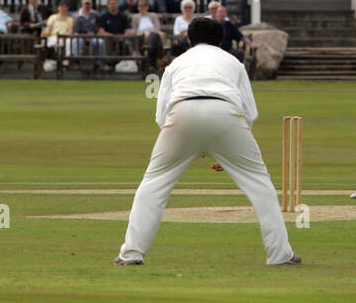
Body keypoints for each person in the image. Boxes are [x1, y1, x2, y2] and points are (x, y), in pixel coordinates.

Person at [115, 16, 300, 267]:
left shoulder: (176, 63)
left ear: (189, 39)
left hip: (181, 114)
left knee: (153, 185)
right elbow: (250, 111)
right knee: (261, 186)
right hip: (227, 115)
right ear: (221, 40)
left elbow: (161, 114)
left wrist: (188, 143)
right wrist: (229, 149)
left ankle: (131, 253)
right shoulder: (233, 62)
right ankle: (280, 255)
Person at [129, 0, 164, 66]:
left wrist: (149, 33)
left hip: (153, 36)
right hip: (140, 37)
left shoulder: (153, 15)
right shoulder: (135, 17)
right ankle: (149, 53)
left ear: (147, 7)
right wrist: (143, 35)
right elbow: (134, 30)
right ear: (138, 7)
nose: (142, 8)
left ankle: (149, 49)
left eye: (144, 6)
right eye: (140, 6)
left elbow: (157, 28)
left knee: (154, 37)